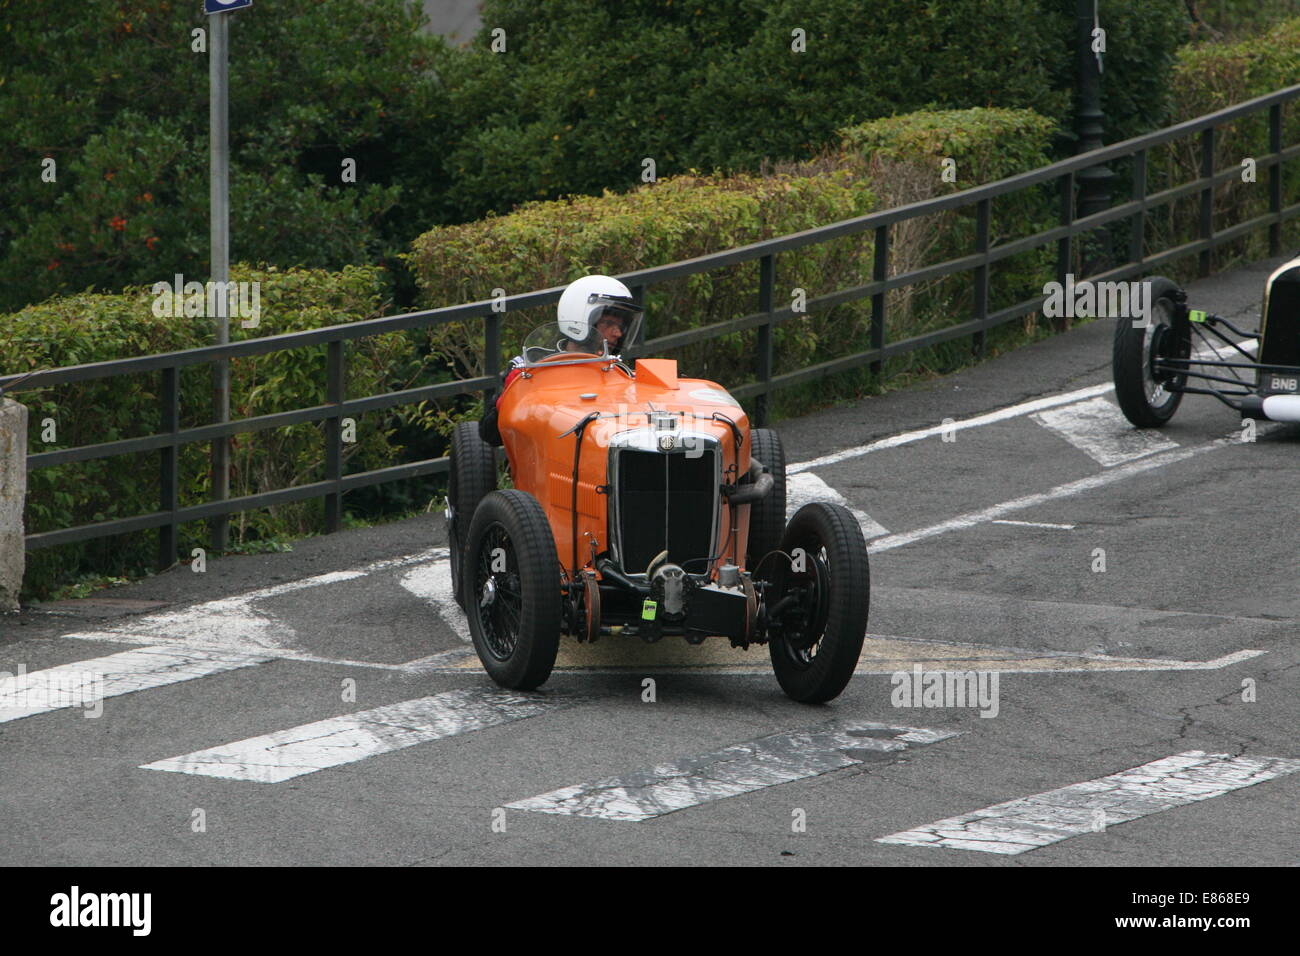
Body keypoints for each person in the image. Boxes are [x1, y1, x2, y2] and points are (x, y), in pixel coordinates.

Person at [478, 275, 643, 446]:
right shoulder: (530, 366)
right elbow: (490, 435)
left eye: (621, 326)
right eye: (608, 323)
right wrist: (508, 398)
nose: (618, 333)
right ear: (579, 319)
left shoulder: (617, 370)